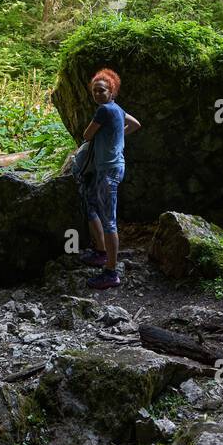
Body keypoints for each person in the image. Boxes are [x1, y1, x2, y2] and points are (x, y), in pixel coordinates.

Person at [78, 68, 141, 290]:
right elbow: (135, 124)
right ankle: (101, 253)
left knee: (109, 220)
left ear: (111, 91)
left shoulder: (104, 110)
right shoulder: (118, 109)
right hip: (112, 167)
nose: (97, 94)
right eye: (94, 91)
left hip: (108, 170)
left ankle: (111, 272)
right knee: (93, 205)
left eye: (102, 90)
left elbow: (86, 135)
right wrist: (117, 137)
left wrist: (109, 136)